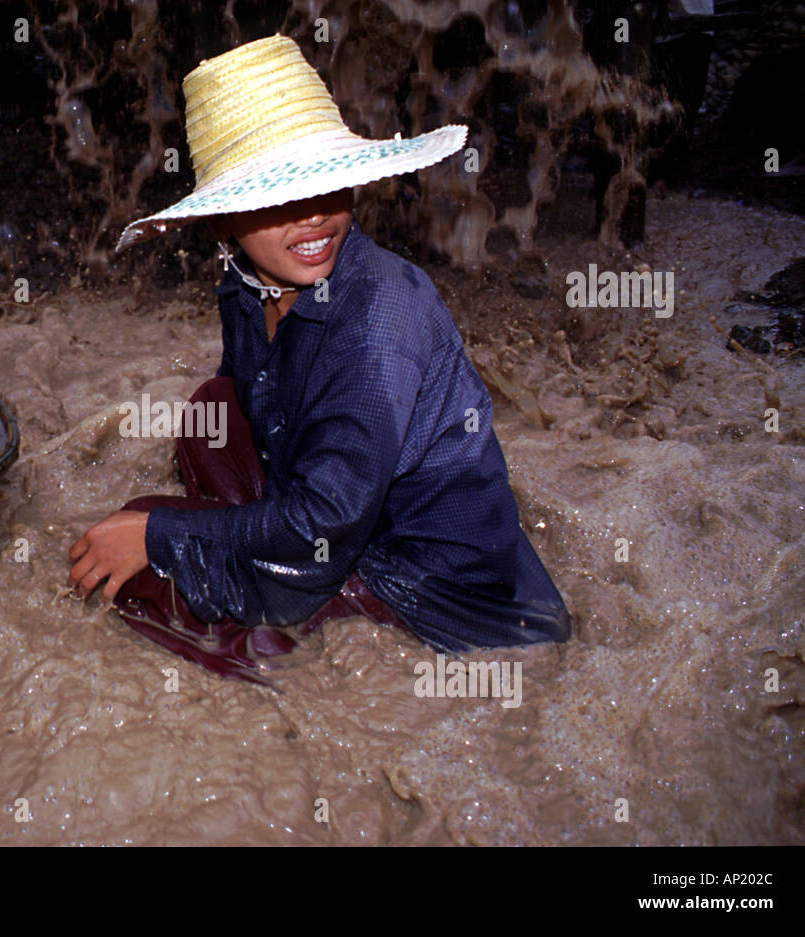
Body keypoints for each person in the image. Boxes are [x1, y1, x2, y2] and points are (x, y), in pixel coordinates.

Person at [68, 34, 571, 686]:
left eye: (329, 187)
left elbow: (327, 519)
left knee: (138, 566)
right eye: (278, 198)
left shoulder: (378, 320)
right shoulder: (246, 286)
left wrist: (159, 537)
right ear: (223, 224)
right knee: (210, 414)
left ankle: (298, 652)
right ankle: (260, 582)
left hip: (430, 591)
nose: (314, 219)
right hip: (347, 516)